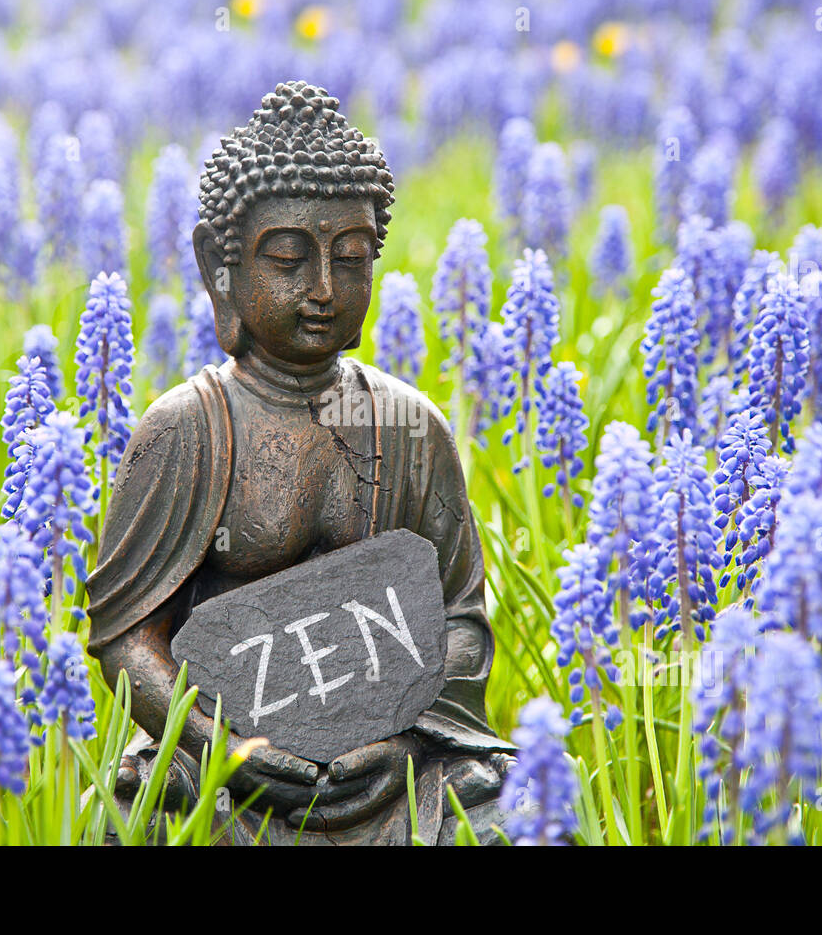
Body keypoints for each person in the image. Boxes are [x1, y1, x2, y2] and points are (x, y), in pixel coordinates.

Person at [86, 82, 513, 845]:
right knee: (130, 825)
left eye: (350, 260)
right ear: (220, 270)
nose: (321, 290)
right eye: (287, 258)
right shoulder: (186, 430)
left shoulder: (411, 427)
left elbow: (462, 624)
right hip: (226, 769)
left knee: (529, 811)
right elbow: (124, 639)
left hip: (388, 765)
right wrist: (225, 751)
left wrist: (404, 737)